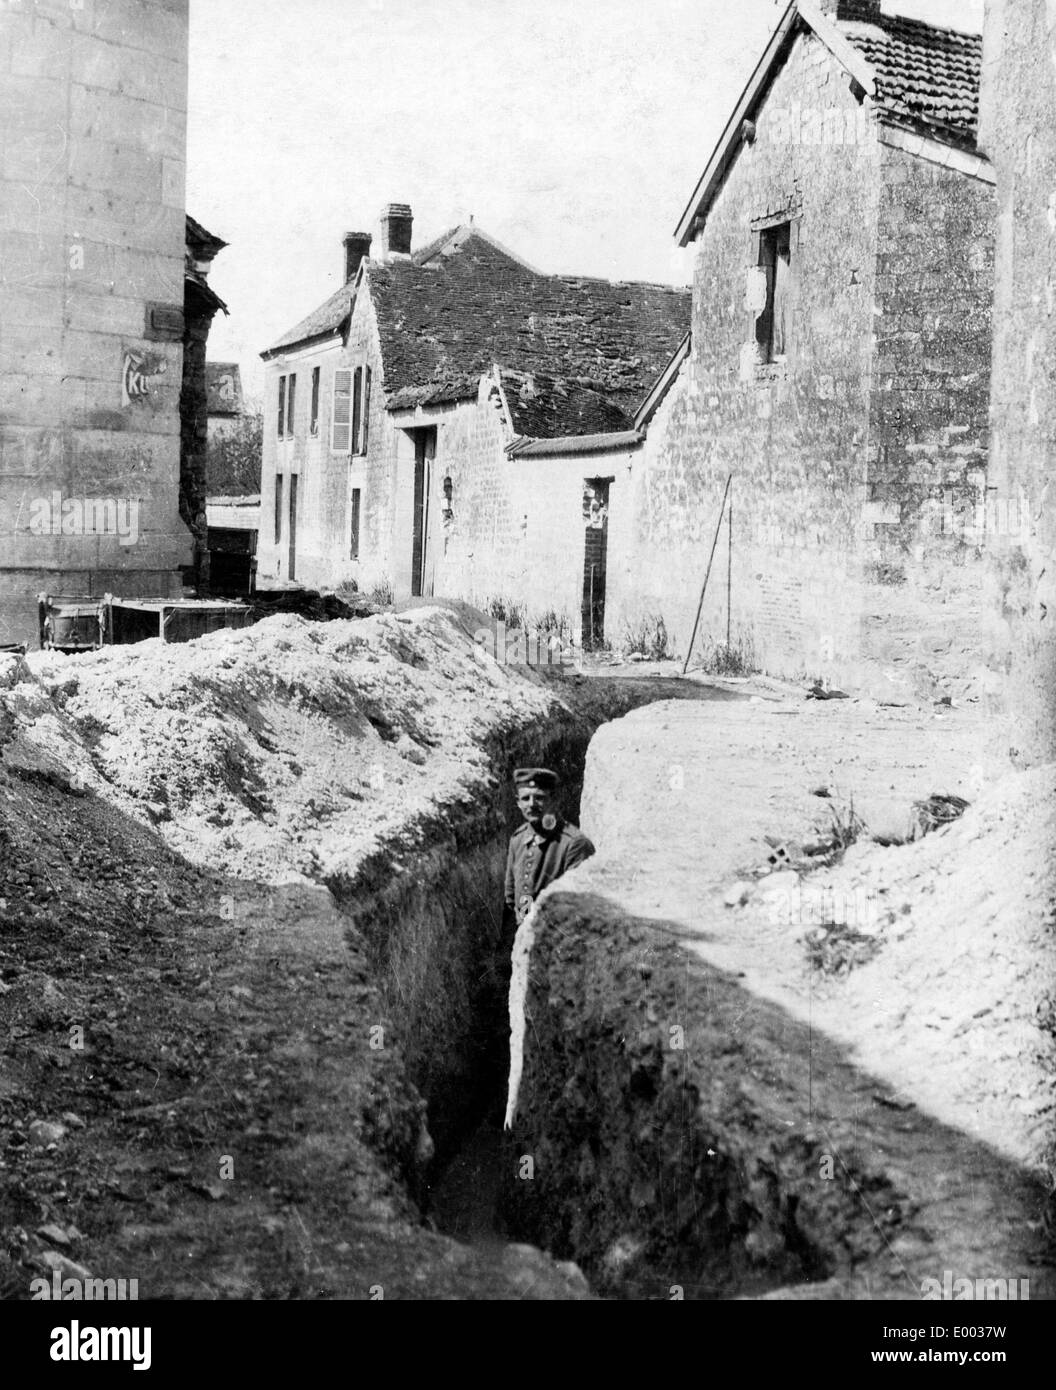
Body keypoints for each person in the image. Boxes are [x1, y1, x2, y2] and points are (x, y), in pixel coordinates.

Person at [503, 767, 595, 934]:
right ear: (518, 802)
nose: (531, 804)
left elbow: (579, 905)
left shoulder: (574, 844)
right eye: (525, 798)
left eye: (539, 797)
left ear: (554, 799)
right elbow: (511, 897)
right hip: (526, 934)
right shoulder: (518, 840)